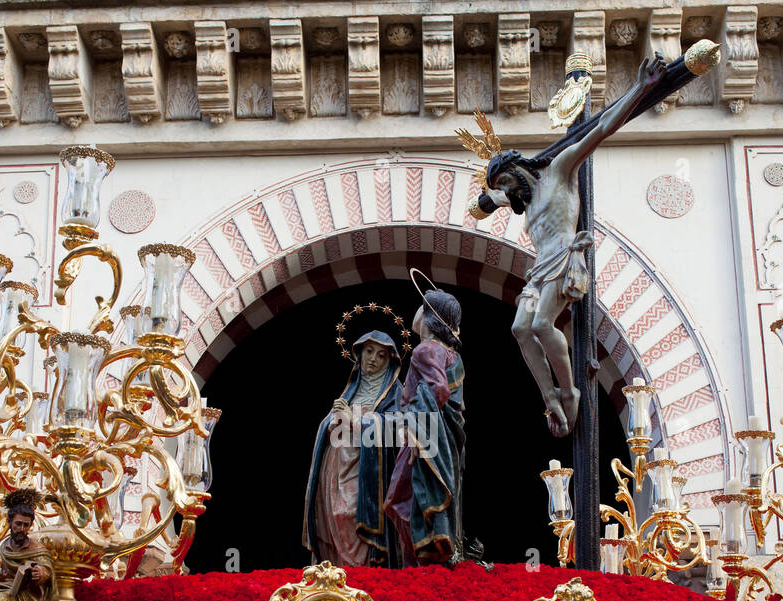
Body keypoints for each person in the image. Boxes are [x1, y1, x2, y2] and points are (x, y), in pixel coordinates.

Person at [463, 45, 717, 436]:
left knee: (544, 325)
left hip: (564, 258)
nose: (505, 191)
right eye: (501, 187)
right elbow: (491, 201)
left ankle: (570, 392)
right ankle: (549, 395)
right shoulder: (524, 203)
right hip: (539, 271)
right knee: (519, 328)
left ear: (516, 168)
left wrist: (640, 88)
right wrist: (485, 202)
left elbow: (600, 129)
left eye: (505, 181)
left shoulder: (559, 171)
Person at [304, 331, 404, 568]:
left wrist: (354, 421)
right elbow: (330, 428)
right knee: (333, 516)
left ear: (390, 360)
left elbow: (398, 430)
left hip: (367, 468)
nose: (373, 359)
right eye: (369, 352)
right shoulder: (351, 388)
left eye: (381, 355)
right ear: (359, 353)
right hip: (336, 464)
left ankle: (361, 574)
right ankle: (337, 572)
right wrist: (334, 421)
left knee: (348, 513)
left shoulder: (394, 391)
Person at [384, 287, 467, 566]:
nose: (417, 312)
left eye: (422, 307)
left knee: (400, 501)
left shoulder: (426, 349)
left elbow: (439, 390)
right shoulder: (451, 353)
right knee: (411, 501)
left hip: (425, 440)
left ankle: (418, 569)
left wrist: (418, 434)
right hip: (443, 439)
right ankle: (428, 564)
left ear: (431, 317)